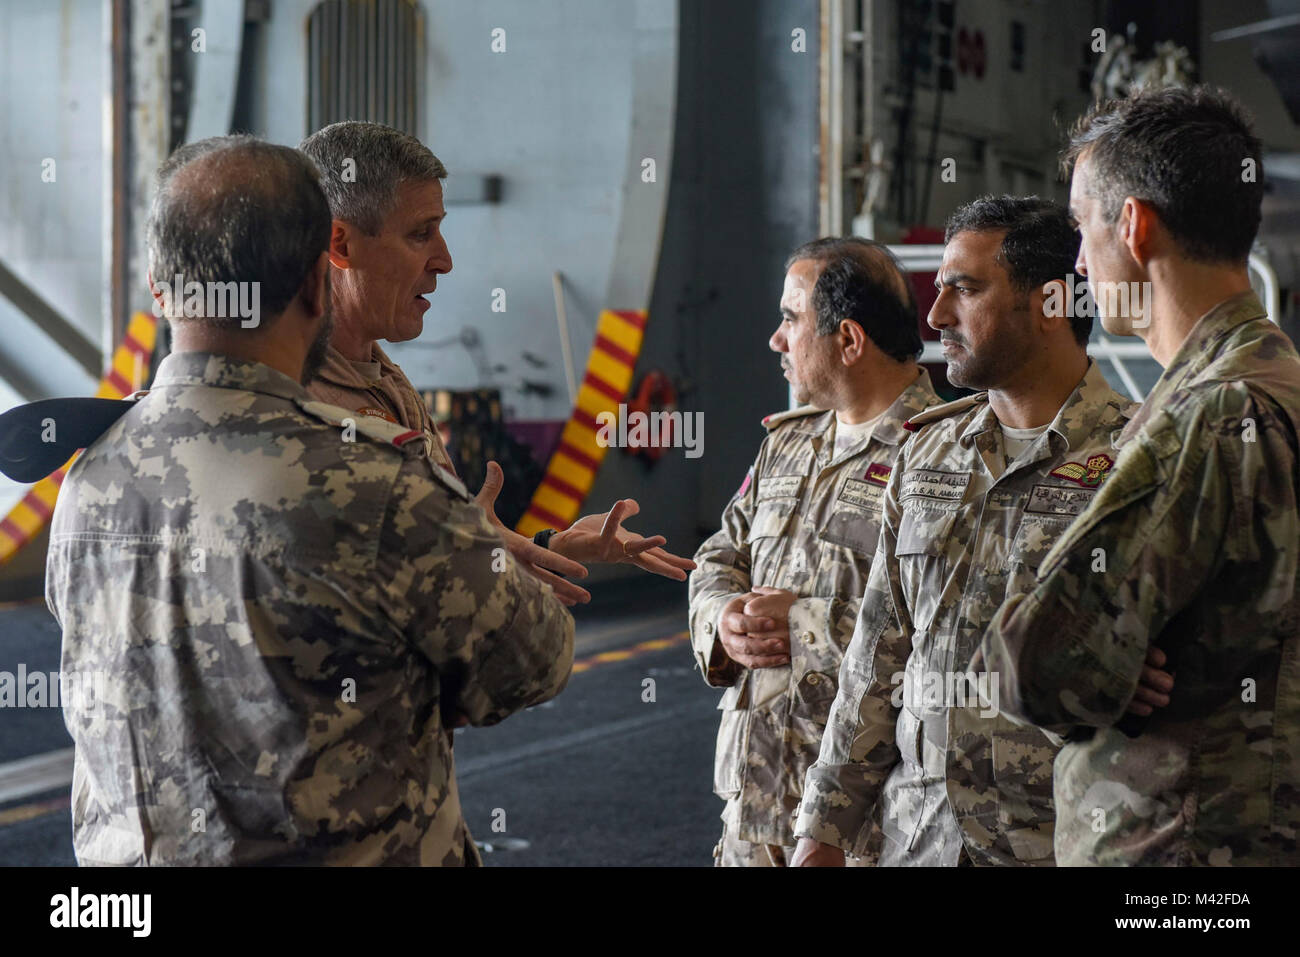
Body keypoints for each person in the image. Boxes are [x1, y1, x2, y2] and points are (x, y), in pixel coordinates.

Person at [47, 135, 575, 866]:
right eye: (423, 234)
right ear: (317, 283)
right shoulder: (373, 485)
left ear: (158, 287)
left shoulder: (88, 481)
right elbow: (532, 661)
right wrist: (476, 556)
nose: (443, 258)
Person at [980, 86, 1300, 866]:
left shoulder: (1207, 416)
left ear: (1134, 225)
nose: (1080, 262)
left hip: (1179, 849)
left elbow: (1035, 665)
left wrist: (1094, 654)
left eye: (1084, 228)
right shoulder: (1281, 379)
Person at [791, 197, 1140, 866]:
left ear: (1049, 303)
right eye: (941, 287)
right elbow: (877, 652)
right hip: (918, 838)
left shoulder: (1137, 456)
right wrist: (824, 824)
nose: (936, 314)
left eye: (966, 289)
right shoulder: (927, 452)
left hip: (1060, 843)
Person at [298, 121, 694, 606]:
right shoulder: (294, 401)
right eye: (421, 235)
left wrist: (548, 547)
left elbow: (439, 547)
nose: (444, 260)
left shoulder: (386, 385)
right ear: (341, 245)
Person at [688, 237, 940, 866]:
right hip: (754, 810)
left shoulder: (943, 457)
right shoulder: (788, 442)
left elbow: (950, 631)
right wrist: (724, 619)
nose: (776, 339)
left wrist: (801, 625)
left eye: (790, 318)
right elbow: (719, 556)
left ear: (849, 341)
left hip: (868, 831)